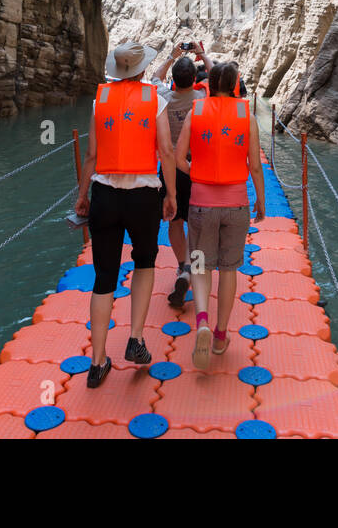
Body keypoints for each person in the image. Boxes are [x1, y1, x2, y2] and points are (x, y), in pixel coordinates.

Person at [74, 42, 178, 388]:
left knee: (103, 278)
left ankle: (97, 361)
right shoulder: (155, 100)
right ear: (142, 70)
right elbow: (165, 150)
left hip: (105, 195)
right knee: (145, 263)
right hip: (144, 198)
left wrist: (82, 194)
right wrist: (171, 194)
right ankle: (135, 339)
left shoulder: (99, 101)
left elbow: (90, 155)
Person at [174, 61, 265, 370]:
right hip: (236, 204)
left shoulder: (194, 112)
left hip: (200, 204)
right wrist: (261, 200)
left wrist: (196, 174)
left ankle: (201, 319)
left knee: (199, 265)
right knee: (228, 270)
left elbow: (177, 157)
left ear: (209, 84)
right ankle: (220, 335)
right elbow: (254, 165)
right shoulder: (247, 116)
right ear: (236, 85)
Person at [153, 50, 200, 307]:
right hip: (195, 166)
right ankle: (193, 267)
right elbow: (217, 82)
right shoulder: (201, 99)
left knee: (174, 218)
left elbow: (154, 77)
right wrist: (201, 53)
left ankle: (182, 266)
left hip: (169, 166)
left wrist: (171, 56)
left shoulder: (163, 98)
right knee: (195, 218)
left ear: (174, 79)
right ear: (194, 78)